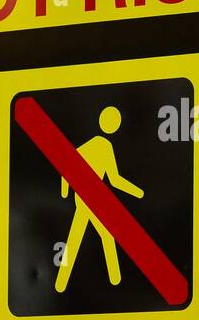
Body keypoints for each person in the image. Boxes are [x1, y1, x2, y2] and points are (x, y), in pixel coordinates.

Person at [54, 106, 144, 292]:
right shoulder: (103, 146)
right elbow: (115, 180)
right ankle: (115, 281)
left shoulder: (91, 145)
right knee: (99, 235)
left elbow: (66, 166)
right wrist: (137, 192)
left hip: (86, 198)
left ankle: (62, 283)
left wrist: (65, 193)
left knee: (80, 237)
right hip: (92, 198)